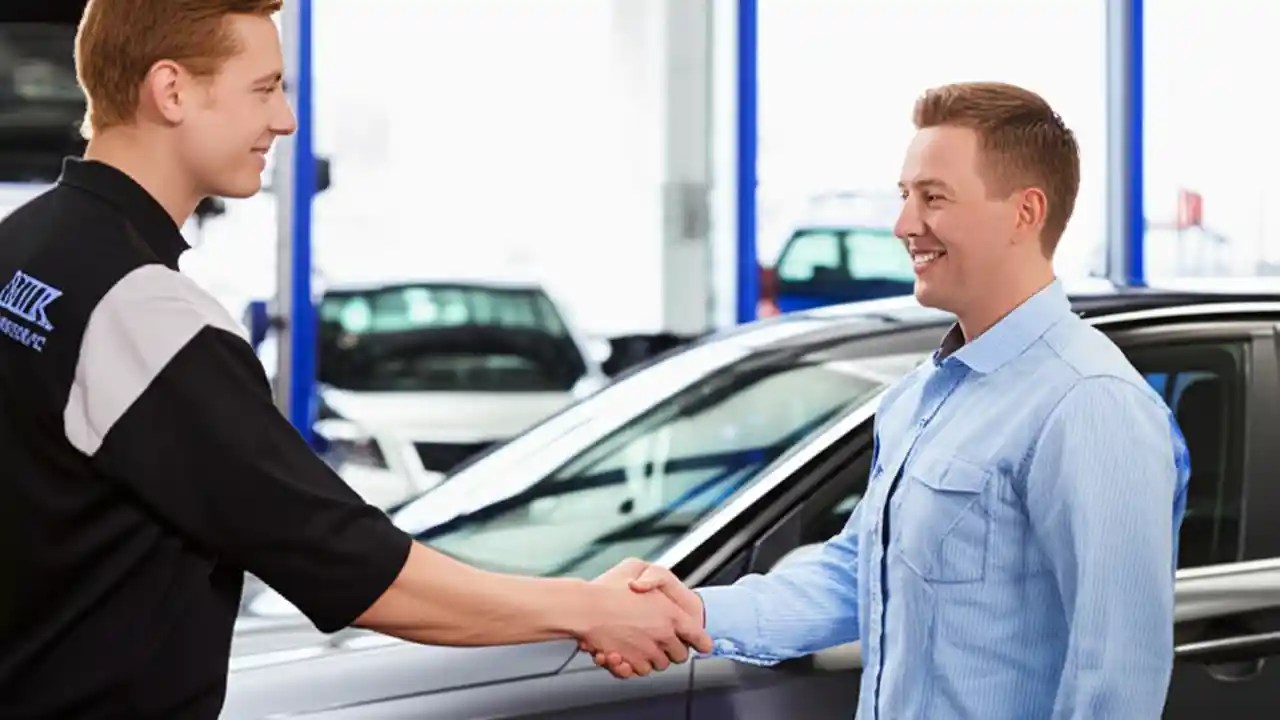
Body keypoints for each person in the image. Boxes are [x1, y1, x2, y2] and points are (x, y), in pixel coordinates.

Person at [0, 2, 708, 718]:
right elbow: (354, 567)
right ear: (172, 90)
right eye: (264, 88)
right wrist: (587, 608)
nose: (284, 121)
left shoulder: (23, 250)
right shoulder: (143, 314)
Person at [589, 82, 1191, 719]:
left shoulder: (1090, 404)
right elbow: (856, 577)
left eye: (933, 198)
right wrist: (696, 610)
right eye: (905, 196)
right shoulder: (919, 398)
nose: (904, 225)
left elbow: (1116, 679)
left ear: (1025, 213)